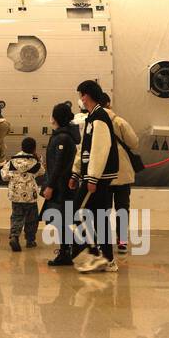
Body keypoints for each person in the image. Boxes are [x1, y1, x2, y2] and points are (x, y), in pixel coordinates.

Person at [69, 79, 123, 273]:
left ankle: (98, 256)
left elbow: (100, 149)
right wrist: (76, 172)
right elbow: (84, 148)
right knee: (97, 217)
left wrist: (92, 178)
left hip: (98, 178)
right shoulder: (92, 117)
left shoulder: (99, 117)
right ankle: (104, 258)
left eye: (81, 95)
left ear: (87, 95)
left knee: (78, 213)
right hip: (91, 177)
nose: (80, 99)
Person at [41, 102, 79, 266]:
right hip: (62, 186)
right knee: (61, 219)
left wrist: (50, 186)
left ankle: (66, 251)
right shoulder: (62, 135)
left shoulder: (62, 137)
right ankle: (67, 250)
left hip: (61, 187)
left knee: (61, 219)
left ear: (55, 117)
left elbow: (58, 164)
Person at [101, 94, 140, 255]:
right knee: (122, 209)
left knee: (103, 209)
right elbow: (134, 143)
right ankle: (122, 242)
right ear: (109, 104)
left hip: (103, 174)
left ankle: (102, 241)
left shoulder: (94, 123)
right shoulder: (120, 122)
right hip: (122, 175)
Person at [0, 136, 41, 252]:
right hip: (30, 197)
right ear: (34, 148)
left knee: (17, 217)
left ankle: (14, 236)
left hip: (16, 196)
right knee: (32, 219)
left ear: (21, 147)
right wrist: (38, 159)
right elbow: (42, 171)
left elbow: (4, 175)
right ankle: (30, 240)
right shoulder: (34, 162)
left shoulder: (12, 161)